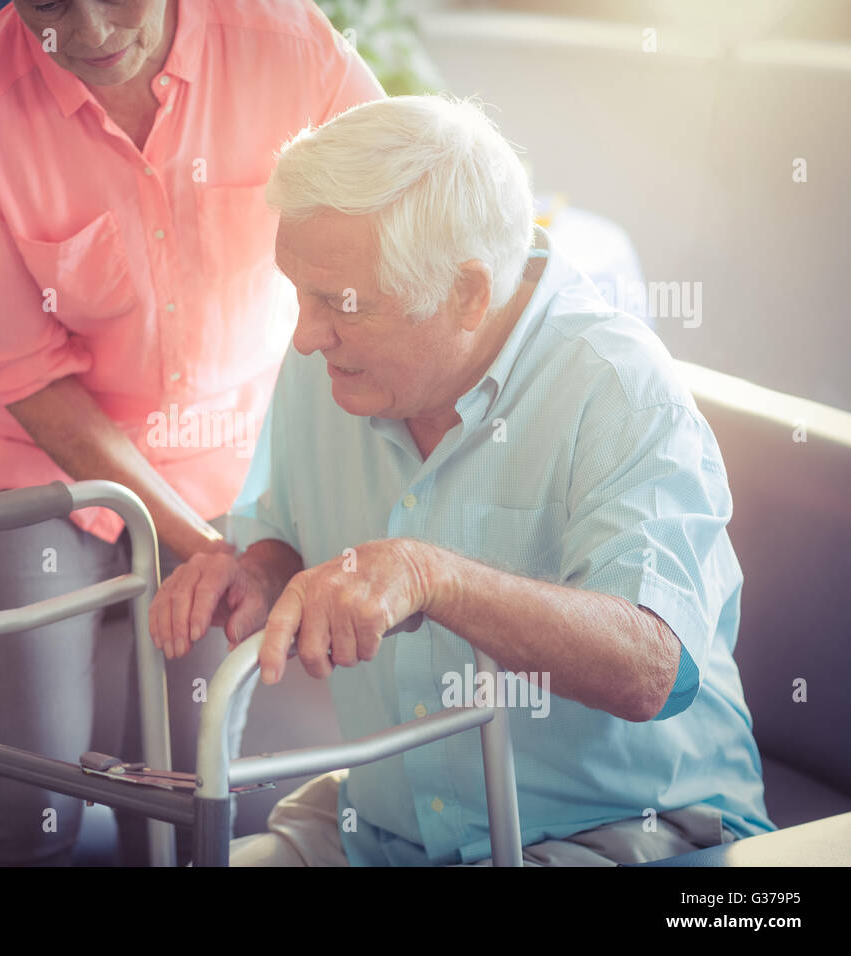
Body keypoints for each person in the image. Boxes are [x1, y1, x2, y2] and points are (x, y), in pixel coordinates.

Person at [149, 94, 776, 866]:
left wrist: (431, 576)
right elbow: (285, 535)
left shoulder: (617, 385)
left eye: (341, 304)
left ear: (468, 293)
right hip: (379, 831)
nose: (305, 335)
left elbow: (655, 668)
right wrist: (255, 575)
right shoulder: (330, 360)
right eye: (299, 294)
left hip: (625, 833)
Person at [0, 0, 384, 864]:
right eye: (53, 4)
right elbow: (23, 372)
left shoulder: (290, 46)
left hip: (222, 463)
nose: (92, 32)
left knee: (183, 794)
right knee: (34, 795)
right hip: (27, 466)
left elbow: (402, 207)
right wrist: (206, 547)